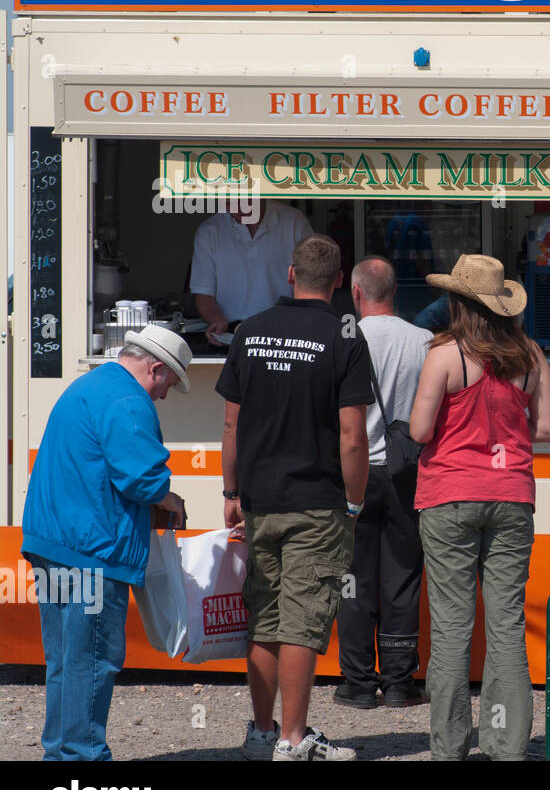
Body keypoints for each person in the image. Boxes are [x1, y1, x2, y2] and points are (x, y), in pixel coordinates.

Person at [216, 234, 373, 761]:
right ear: (337, 282)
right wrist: (354, 501)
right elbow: (353, 435)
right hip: (317, 500)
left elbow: (232, 423)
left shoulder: (251, 332)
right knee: (302, 619)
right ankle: (294, 739)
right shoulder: (344, 336)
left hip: (260, 500)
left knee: (264, 617)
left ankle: (263, 734)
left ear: (289, 274)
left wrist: (231, 490)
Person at [409, 254, 550, 761]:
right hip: (512, 495)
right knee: (506, 623)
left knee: (451, 626)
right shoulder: (531, 355)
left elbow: (420, 430)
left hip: (449, 493)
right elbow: (546, 430)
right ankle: (507, 744)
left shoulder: (446, 354)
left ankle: (450, 747)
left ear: (458, 302)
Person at [21, 325, 190, 760]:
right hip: (91, 554)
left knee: (65, 658)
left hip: (54, 545)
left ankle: (61, 754)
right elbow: (142, 477)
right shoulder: (127, 399)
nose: (164, 396)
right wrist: (170, 497)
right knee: (94, 657)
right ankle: (80, 760)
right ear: (154, 368)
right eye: (167, 384)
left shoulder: (92, 384)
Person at [334, 256, 431, 710]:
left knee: (352, 579)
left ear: (356, 293)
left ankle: (356, 682)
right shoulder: (426, 341)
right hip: (407, 472)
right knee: (402, 575)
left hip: (353, 472)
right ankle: (398, 681)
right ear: (396, 291)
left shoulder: (341, 337)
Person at [191, 197, 312, 346]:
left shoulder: (293, 221)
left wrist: (302, 323)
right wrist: (217, 320)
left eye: (244, 202)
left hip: (285, 331)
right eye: (229, 203)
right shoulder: (209, 231)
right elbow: (204, 294)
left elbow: (311, 284)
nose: (238, 210)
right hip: (232, 333)